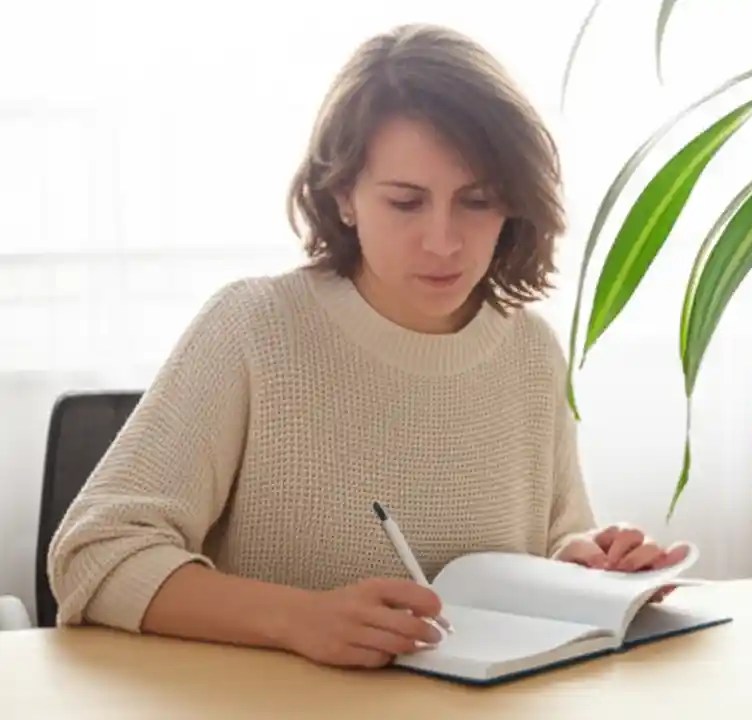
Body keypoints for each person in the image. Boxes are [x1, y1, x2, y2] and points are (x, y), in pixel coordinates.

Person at [46, 23, 686, 670]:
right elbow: (95, 554)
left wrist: (583, 565)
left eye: (477, 201)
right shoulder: (253, 329)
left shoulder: (529, 350)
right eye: (406, 202)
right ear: (343, 195)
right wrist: (299, 619)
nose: (443, 241)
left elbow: (553, 541)